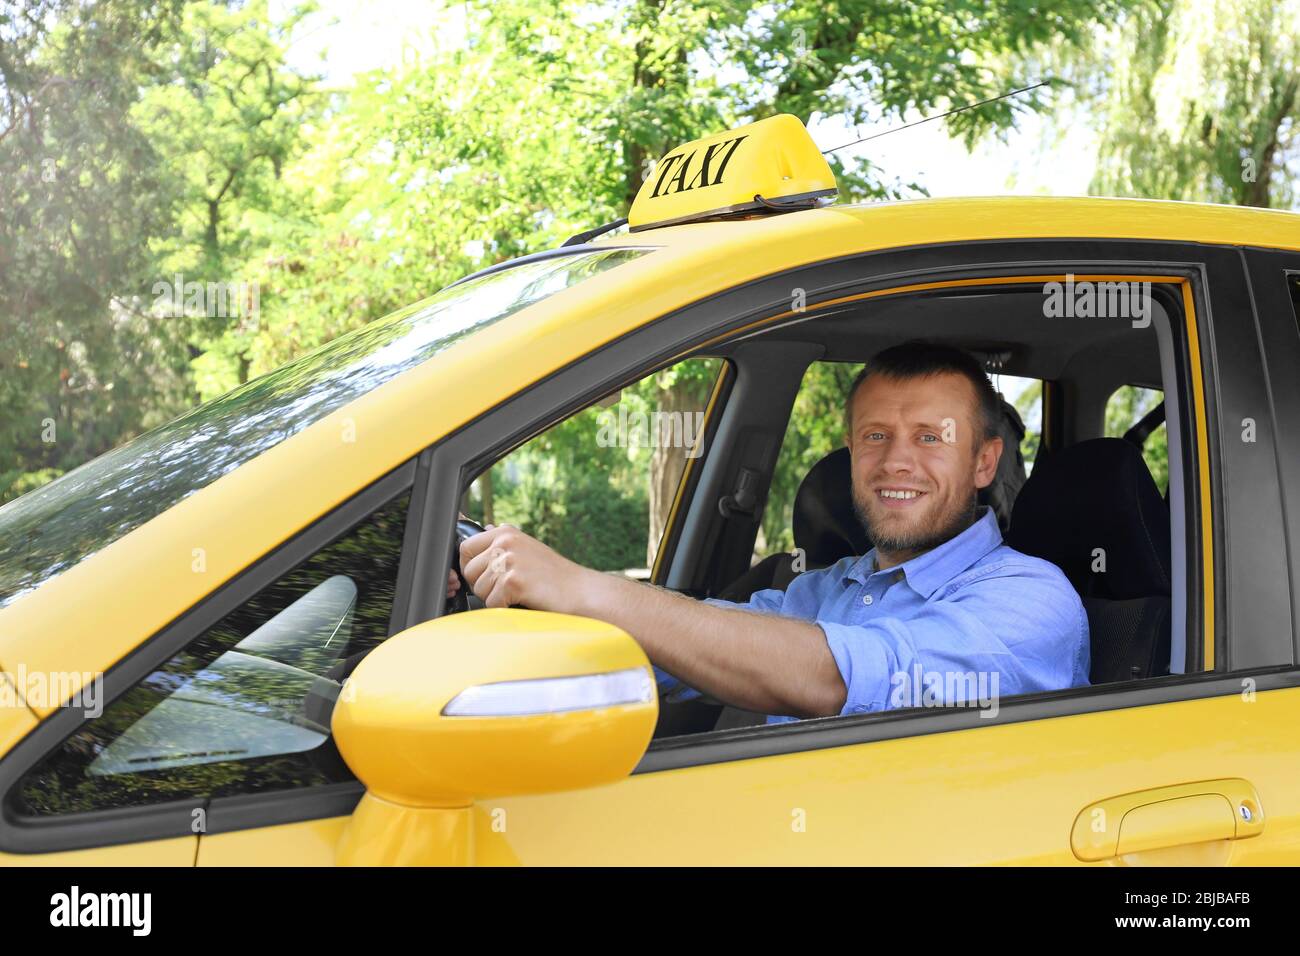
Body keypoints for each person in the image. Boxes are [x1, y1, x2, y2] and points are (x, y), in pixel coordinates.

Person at [455, 342, 1090, 722]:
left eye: (931, 438)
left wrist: (589, 589)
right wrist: (534, 611)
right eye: (876, 437)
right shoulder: (830, 589)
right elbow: (698, 641)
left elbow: (842, 678)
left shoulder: (1031, 599)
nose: (897, 461)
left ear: (984, 462)